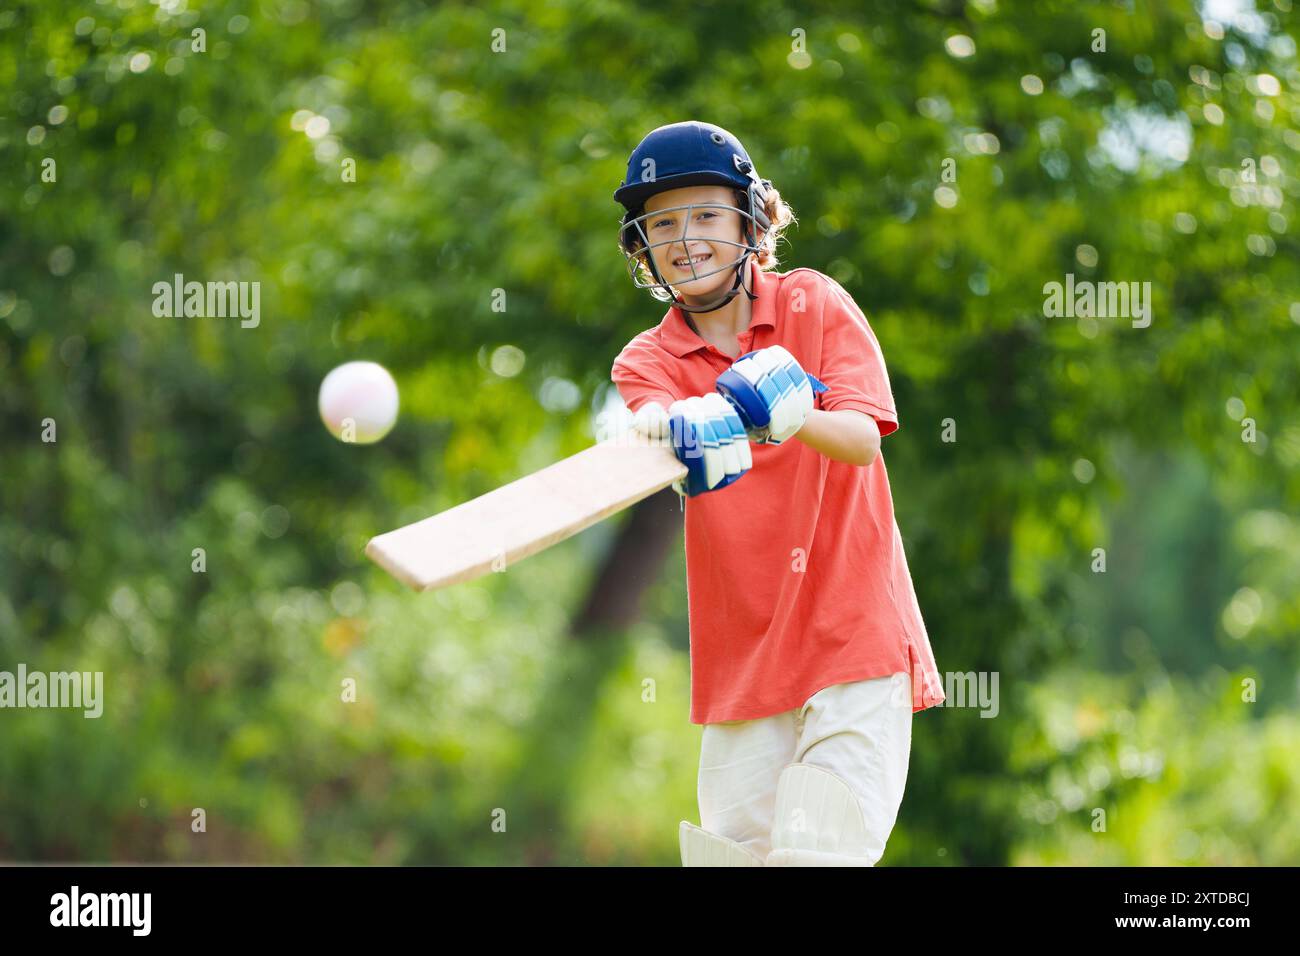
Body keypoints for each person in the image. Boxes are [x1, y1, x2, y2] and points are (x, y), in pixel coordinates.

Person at [609, 121, 946, 866]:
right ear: (642, 244)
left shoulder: (814, 305)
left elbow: (861, 438)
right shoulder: (647, 359)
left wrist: (789, 415)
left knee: (817, 854)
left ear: (750, 221)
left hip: (851, 634)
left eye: (704, 214)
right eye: (662, 223)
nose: (685, 237)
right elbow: (654, 421)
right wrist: (676, 427)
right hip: (742, 663)